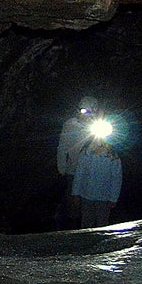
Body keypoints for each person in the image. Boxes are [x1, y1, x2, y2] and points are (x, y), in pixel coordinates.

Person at [56, 96, 99, 228]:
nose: (86, 114)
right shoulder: (70, 125)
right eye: (84, 110)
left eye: (90, 111)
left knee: (90, 204)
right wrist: (62, 167)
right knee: (73, 201)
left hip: (92, 172)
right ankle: (68, 228)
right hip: (73, 169)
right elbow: (63, 147)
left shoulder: (99, 126)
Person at [70, 126, 122, 228]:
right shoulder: (86, 154)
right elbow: (79, 174)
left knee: (101, 224)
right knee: (86, 222)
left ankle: (100, 243)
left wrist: (113, 198)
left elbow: (116, 178)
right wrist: (75, 193)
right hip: (86, 195)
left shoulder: (112, 157)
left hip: (104, 196)